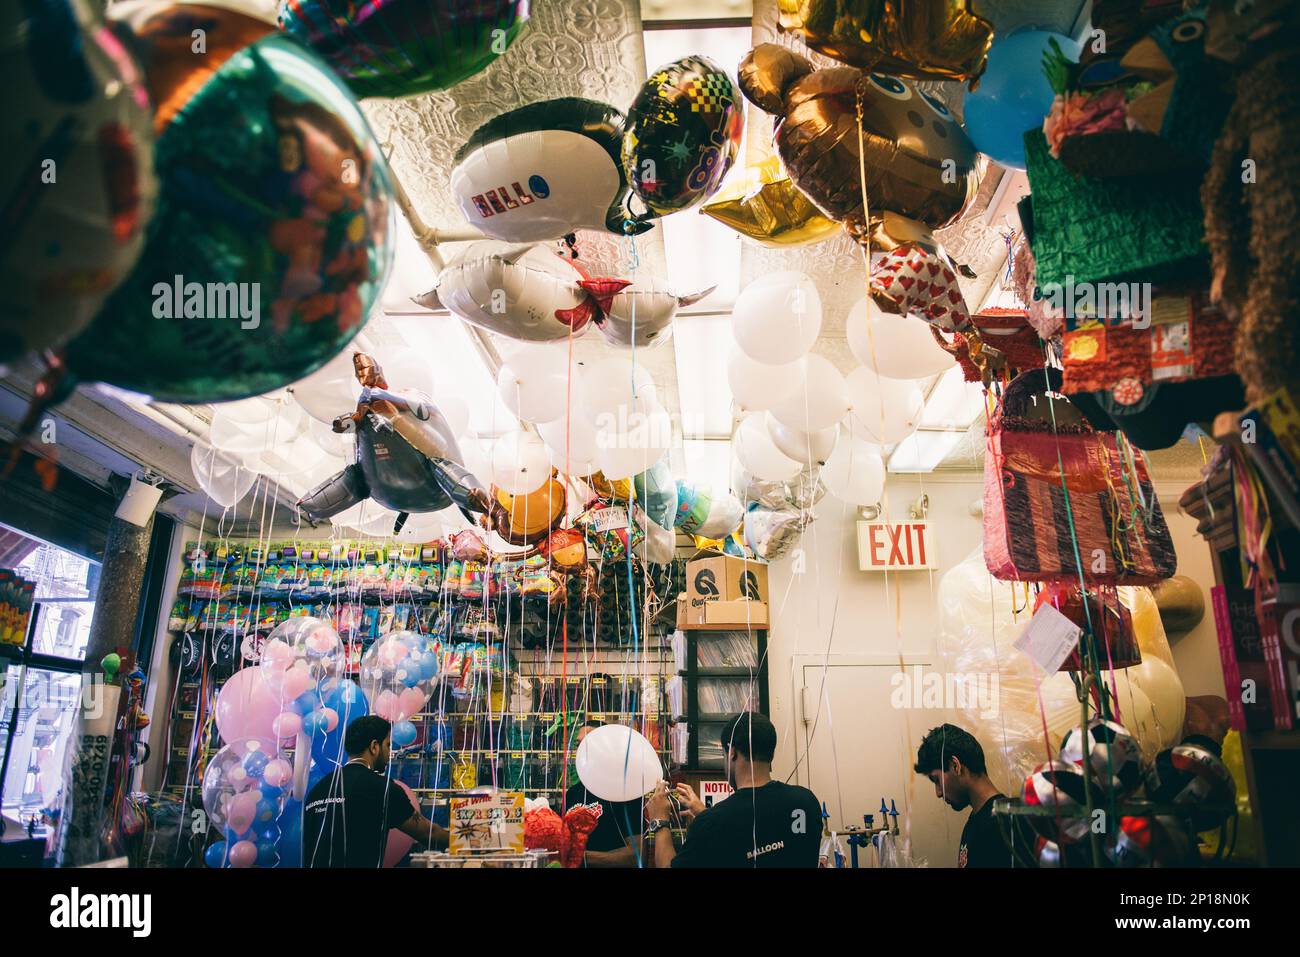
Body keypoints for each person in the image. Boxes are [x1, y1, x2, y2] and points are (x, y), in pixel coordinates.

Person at [647, 711, 821, 868]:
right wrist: (705, 814)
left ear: (732, 752)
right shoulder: (805, 803)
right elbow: (760, 830)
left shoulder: (711, 824)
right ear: (771, 754)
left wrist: (660, 820)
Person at [303, 715, 449, 867]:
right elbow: (427, 833)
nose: (389, 753)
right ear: (374, 746)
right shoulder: (382, 788)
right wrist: (465, 840)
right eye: (388, 745)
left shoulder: (317, 790)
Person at [913, 723, 1029, 868]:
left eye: (937, 780)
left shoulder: (1007, 823)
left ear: (956, 766)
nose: (938, 793)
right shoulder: (975, 822)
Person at [563, 720, 643, 867]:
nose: (580, 750)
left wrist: (582, 858)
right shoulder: (573, 793)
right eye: (578, 745)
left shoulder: (626, 793)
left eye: (588, 744)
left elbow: (636, 855)